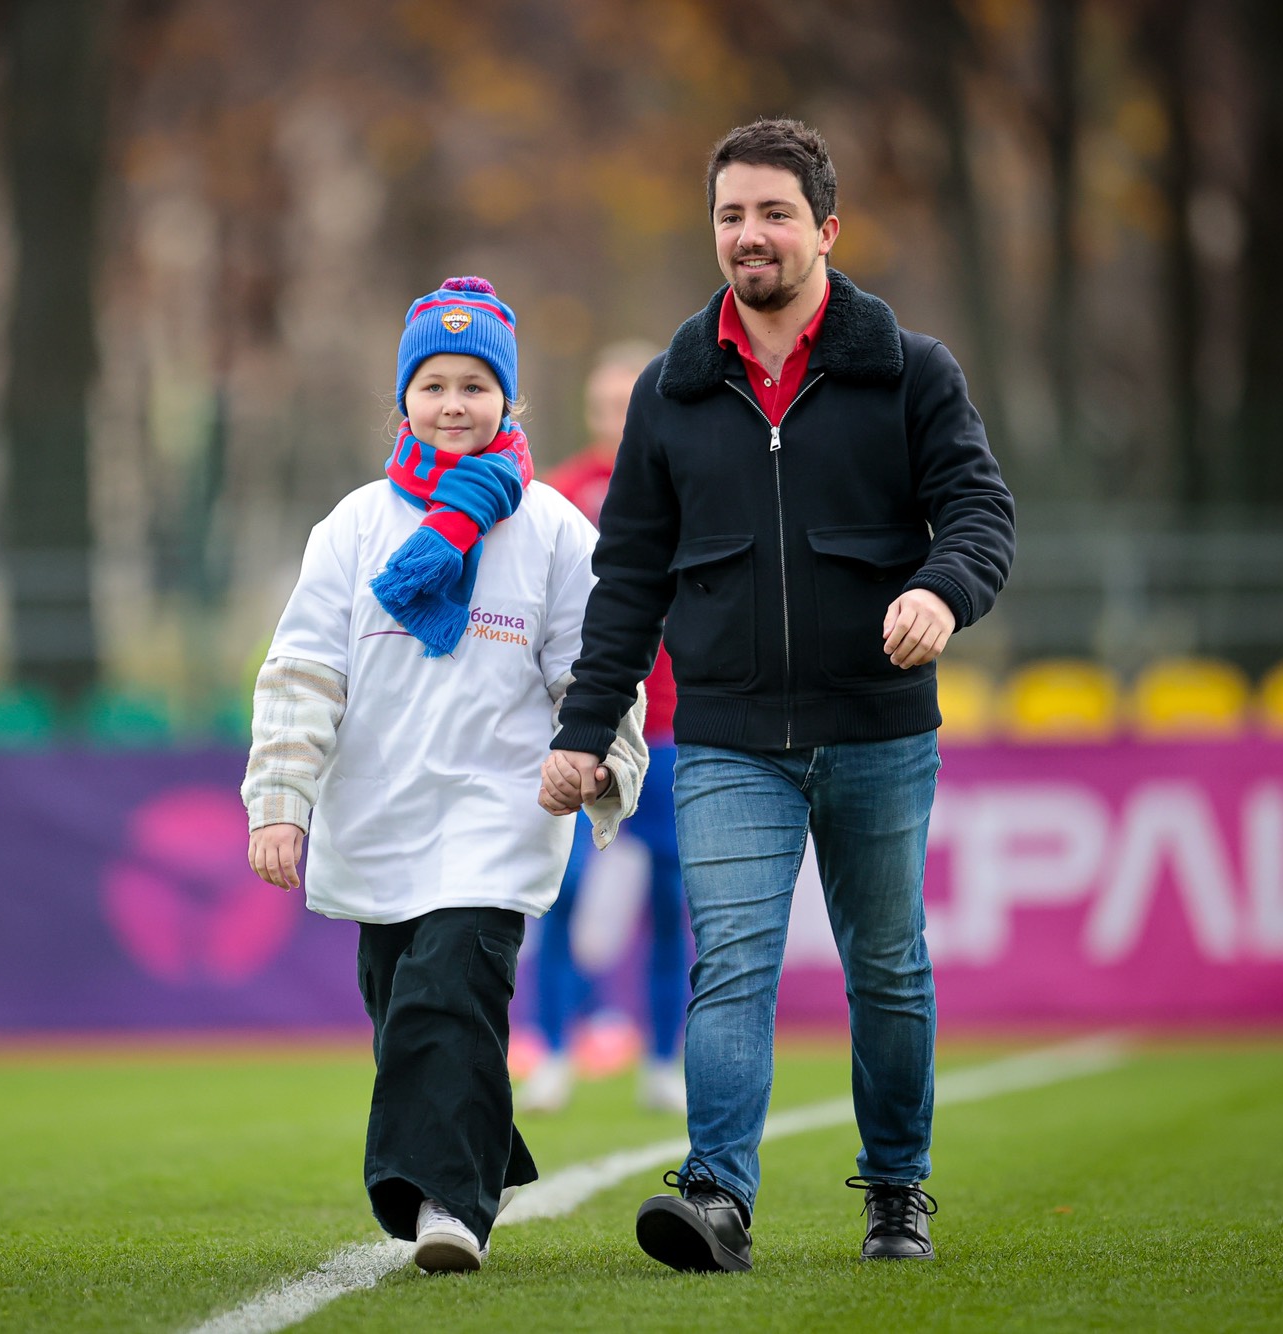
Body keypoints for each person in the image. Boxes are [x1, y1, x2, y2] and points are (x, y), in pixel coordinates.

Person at [542, 118, 1015, 1271]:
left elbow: (978, 514)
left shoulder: (910, 369)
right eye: (728, 215)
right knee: (732, 960)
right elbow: (629, 577)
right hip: (723, 737)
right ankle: (715, 1195)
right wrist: (583, 729)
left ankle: (896, 1189)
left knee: (886, 965)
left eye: (772, 213)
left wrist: (941, 595)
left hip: (876, 728)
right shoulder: (670, 389)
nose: (747, 235)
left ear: (825, 229)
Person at [243, 276, 647, 1274]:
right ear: (402, 402)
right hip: (376, 816)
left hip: (495, 816)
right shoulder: (351, 527)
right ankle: (485, 1151)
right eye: (433, 384)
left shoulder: (554, 529)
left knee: (447, 995)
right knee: (405, 1010)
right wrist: (279, 803)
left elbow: (601, 665)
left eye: (475, 384)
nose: (454, 403)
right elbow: (300, 674)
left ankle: (445, 1208)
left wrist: (591, 757)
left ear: (511, 402)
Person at [521, 340, 689, 1116]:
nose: (616, 422)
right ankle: (554, 1047)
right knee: (560, 892)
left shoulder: (694, 483)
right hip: (583, 730)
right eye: (604, 407)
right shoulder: (557, 496)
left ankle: (664, 1058)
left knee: (672, 898)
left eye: (629, 405)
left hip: (675, 731)